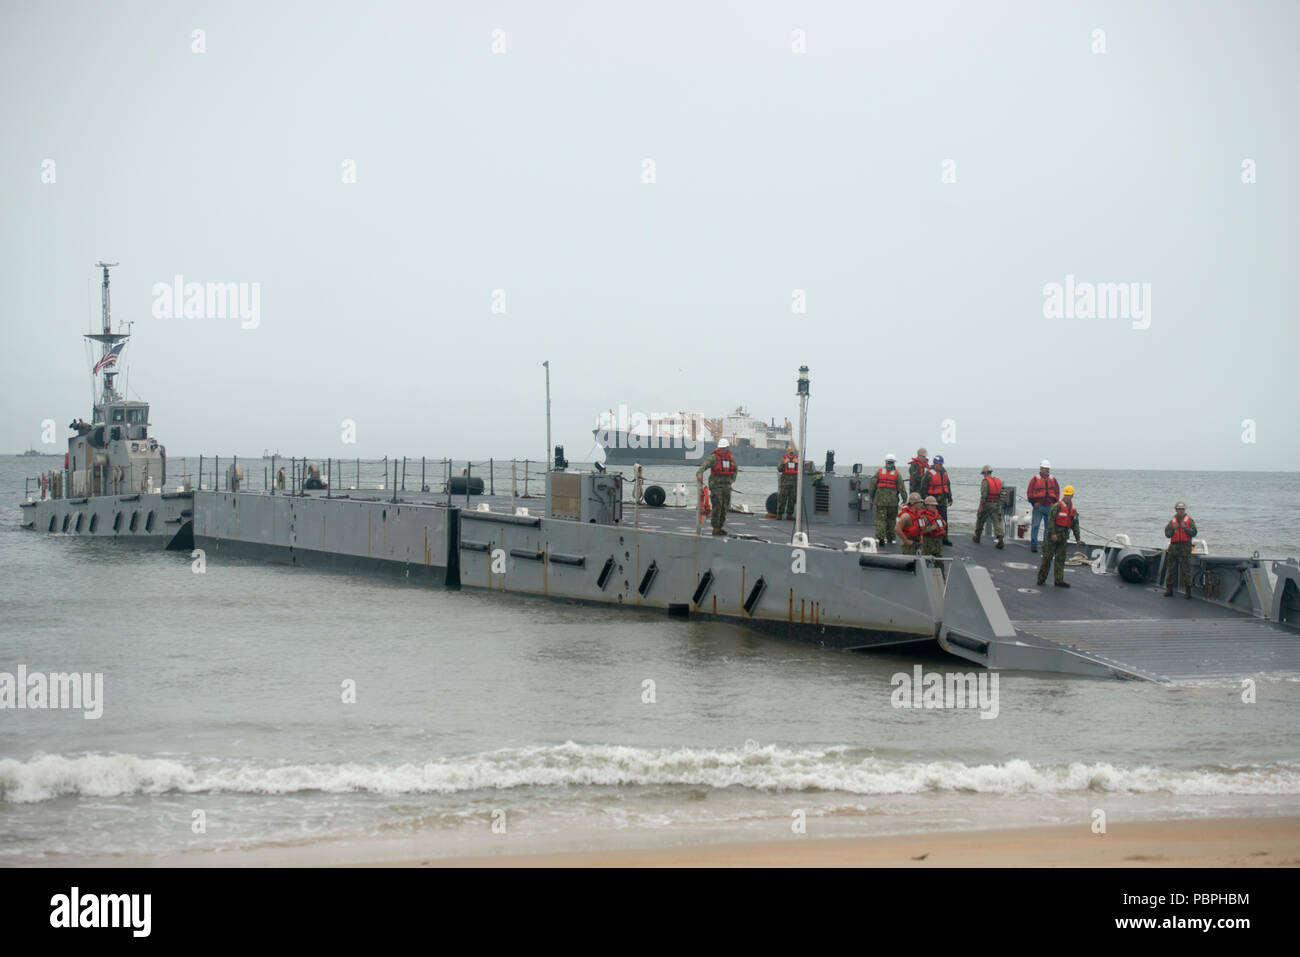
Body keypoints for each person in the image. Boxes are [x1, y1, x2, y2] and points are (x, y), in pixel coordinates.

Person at [1037, 485, 1083, 587]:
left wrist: (1078, 538)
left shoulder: (1073, 509)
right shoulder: (1057, 506)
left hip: (1063, 536)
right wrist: (1053, 534)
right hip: (1053, 536)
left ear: (1072, 496)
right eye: (1066, 495)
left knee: (1060, 559)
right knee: (1047, 558)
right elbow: (1051, 521)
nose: (1067, 497)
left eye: (1069, 495)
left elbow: (1075, 524)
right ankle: (1041, 579)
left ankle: (1059, 580)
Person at [695, 438, 737, 536]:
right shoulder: (713, 457)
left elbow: (735, 469)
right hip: (716, 486)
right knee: (717, 505)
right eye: (720, 448)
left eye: (724, 448)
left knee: (724, 507)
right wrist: (699, 473)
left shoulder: (731, 458)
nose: (722, 450)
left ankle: (720, 527)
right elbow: (704, 466)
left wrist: (733, 479)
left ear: (727, 448)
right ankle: (715, 527)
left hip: (727, 486)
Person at [868, 453, 907, 545]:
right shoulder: (897, 474)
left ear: (886, 462)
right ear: (894, 463)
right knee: (891, 520)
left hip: (880, 500)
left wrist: (871, 497)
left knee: (880, 519)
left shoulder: (879, 472)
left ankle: (881, 537)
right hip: (893, 502)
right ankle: (891, 538)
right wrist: (905, 499)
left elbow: (872, 486)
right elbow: (902, 488)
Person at [1164, 501, 1198, 599]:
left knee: (1186, 571)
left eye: (1182, 509)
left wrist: (1185, 528)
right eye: (1179, 509)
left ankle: (1188, 591)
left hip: (1185, 549)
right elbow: (1167, 534)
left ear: (1184, 510)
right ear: (1176, 510)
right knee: (1170, 570)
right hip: (1174, 548)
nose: (1181, 511)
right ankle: (1169, 589)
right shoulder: (1172, 521)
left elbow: (1194, 532)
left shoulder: (1189, 521)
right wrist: (1173, 529)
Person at [1026, 459, 1060, 553]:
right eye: (1045, 469)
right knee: (1035, 526)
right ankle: (1034, 545)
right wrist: (1033, 503)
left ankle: (1046, 546)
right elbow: (1029, 492)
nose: (1046, 471)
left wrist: (1055, 503)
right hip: (1039, 506)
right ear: (1041, 469)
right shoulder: (1035, 479)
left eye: (1048, 469)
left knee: (1048, 528)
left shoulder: (1053, 479)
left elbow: (1057, 492)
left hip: (1050, 506)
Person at [920, 454, 954, 545]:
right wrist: (925, 501)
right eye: (938, 464)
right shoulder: (928, 474)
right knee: (931, 519)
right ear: (934, 463)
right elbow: (923, 488)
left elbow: (948, 486)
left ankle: (944, 538)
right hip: (932, 502)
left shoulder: (944, 472)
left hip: (942, 501)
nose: (940, 466)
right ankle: (930, 537)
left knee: (943, 519)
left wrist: (950, 498)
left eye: (941, 464)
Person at [972, 465, 1005, 549]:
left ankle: (977, 537)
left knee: (980, 519)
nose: (983, 475)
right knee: (997, 522)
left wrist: (980, 507)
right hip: (996, 504)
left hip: (987, 504)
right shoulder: (998, 481)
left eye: (983, 473)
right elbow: (1001, 494)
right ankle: (1000, 538)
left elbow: (984, 495)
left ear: (985, 473)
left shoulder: (985, 481)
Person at [776, 444, 799, 520]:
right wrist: (784, 463)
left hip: (794, 483)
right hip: (785, 483)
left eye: (792, 452)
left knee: (792, 500)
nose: (791, 453)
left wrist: (798, 463)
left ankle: (789, 515)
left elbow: (801, 470)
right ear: (787, 452)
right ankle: (779, 514)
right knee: (782, 499)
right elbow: (779, 469)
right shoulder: (783, 460)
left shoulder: (797, 460)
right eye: (790, 452)